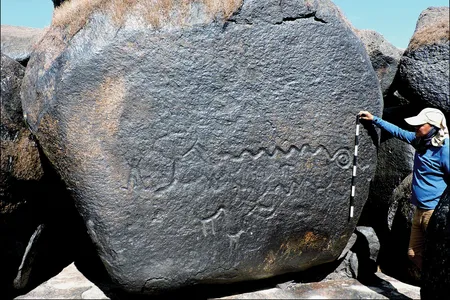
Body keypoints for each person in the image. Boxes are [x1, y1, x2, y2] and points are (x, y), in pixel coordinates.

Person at [358, 108, 449, 271]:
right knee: (413, 253)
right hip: (419, 210)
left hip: (434, 213)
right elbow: (398, 132)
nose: (416, 127)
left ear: (434, 127)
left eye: (420, 125)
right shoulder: (420, 141)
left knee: (438, 256)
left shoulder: (444, 149)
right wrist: (375, 119)